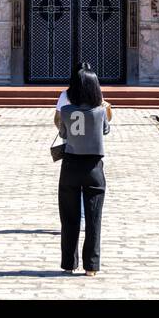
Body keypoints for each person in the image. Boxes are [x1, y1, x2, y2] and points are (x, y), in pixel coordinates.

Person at [54, 68, 112, 275]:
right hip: (94, 166)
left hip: (70, 165)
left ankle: (69, 263)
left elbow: (62, 132)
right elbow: (106, 130)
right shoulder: (100, 111)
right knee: (93, 217)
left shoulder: (68, 111)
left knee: (69, 218)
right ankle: (91, 266)